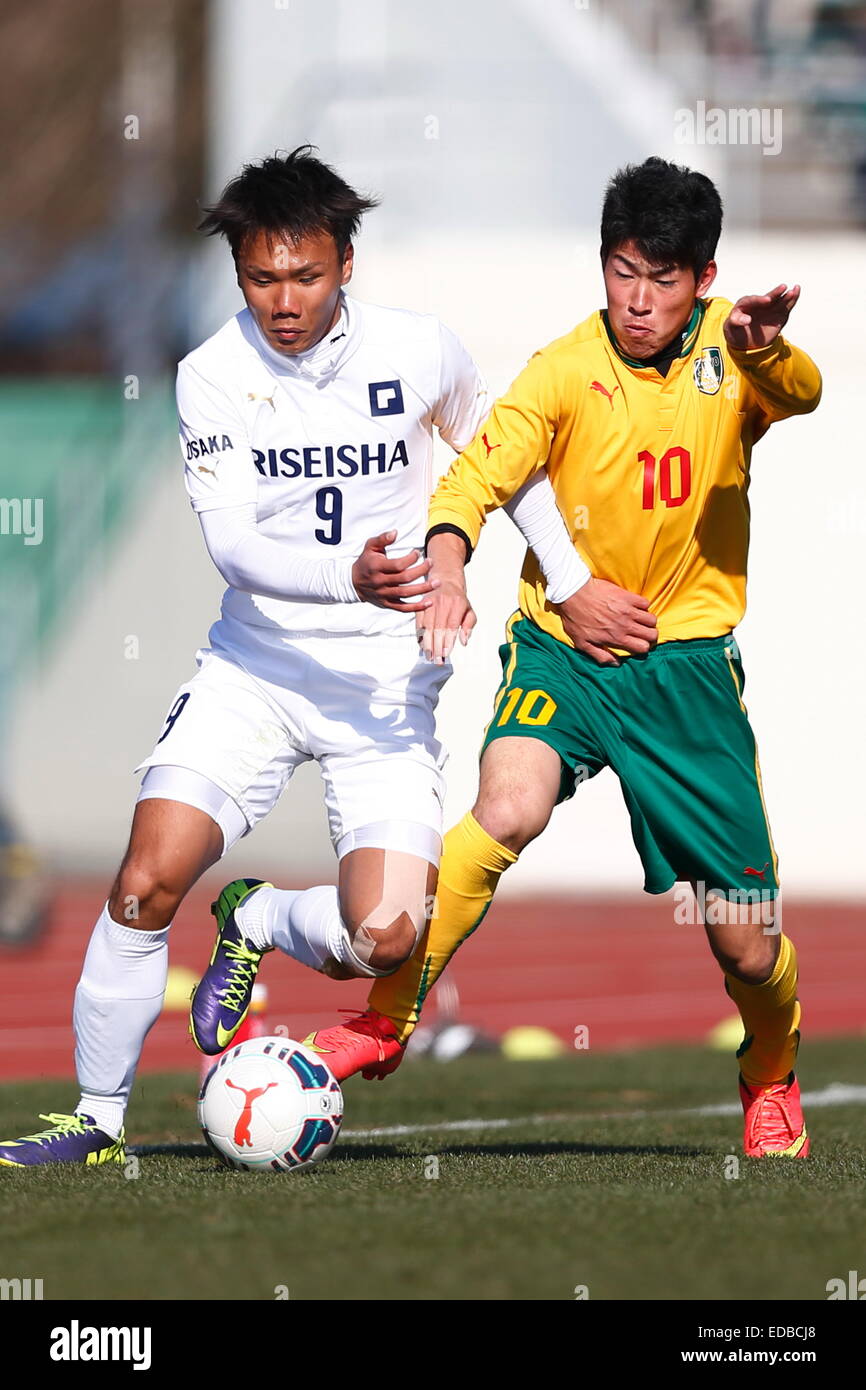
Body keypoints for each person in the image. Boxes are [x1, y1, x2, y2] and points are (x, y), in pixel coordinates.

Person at [0, 147, 652, 1167]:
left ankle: (257, 915)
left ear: (347, 263)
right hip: (256, 670)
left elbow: (506, 466)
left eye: (304, 276)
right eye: (261, 278)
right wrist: (347, 575)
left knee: (385, 936)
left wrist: (568, 584)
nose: (283, 300)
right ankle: (96, 1120)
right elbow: (233, 546)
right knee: (144, 881)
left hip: (384, 686)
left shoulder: (421, 351)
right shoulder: (211, 374)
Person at [303, 156, 822, 1159]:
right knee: (507, 807)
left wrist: (765, 351)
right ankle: (386, 1018)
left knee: (747, 944)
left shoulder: (734, 350)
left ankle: (770, 1067)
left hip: (684, 677)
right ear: (602, 264)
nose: (638, 300)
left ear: (703, 279)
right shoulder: (561, 368)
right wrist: (446, 567)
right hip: (563, 653)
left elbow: (802, 393)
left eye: (662, 279)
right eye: (622, 272)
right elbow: (473, 478)